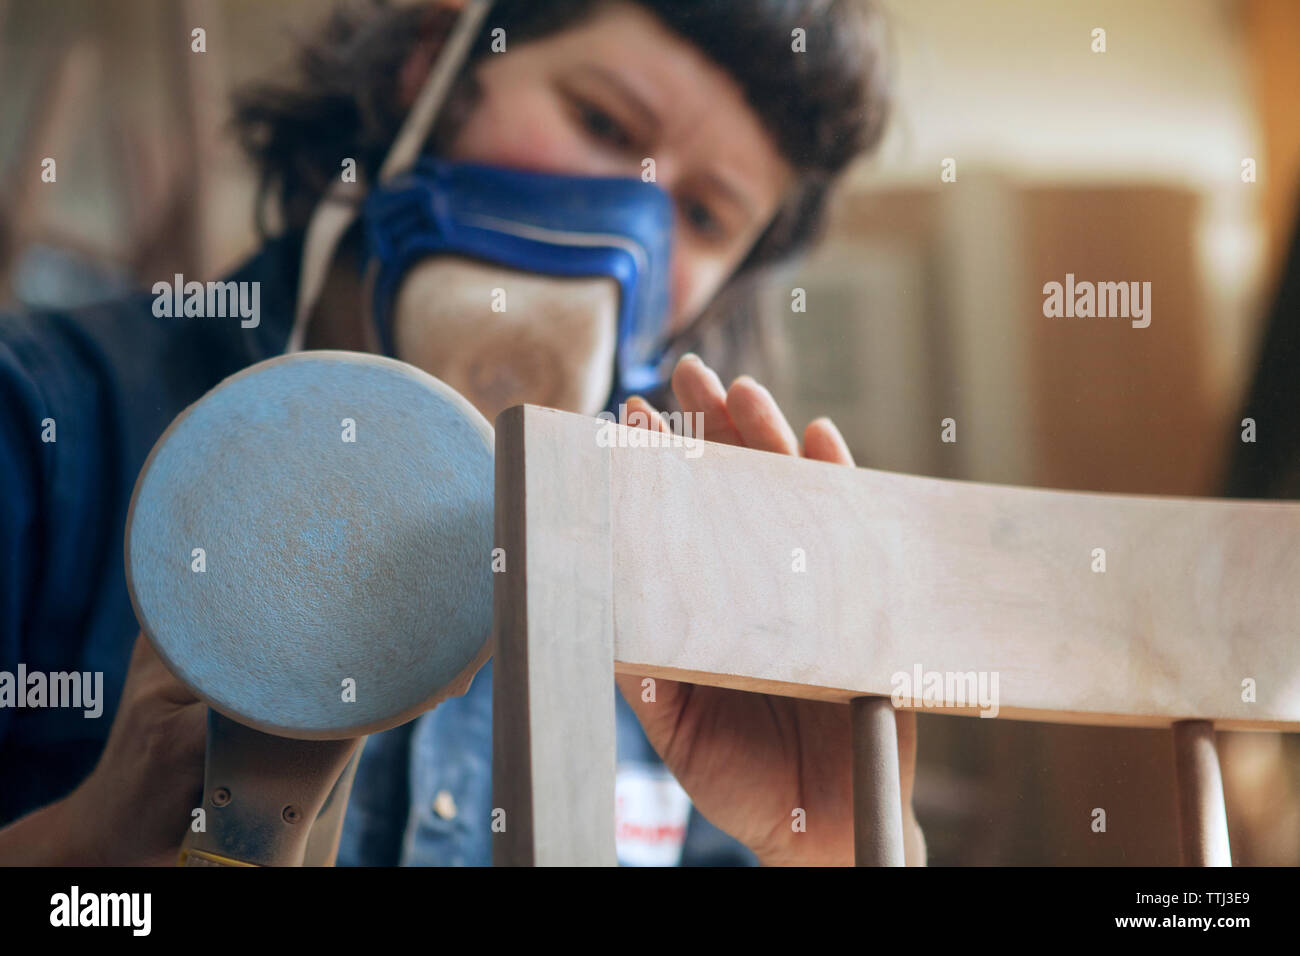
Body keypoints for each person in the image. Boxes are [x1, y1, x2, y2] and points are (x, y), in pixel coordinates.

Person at [0, 0, 925, 866]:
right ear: (430, 71)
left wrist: (830, 845)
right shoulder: (40, 423)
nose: (630, 223)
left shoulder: (679, 591)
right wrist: (106, 841)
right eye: (603, 124)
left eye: (703, 214)